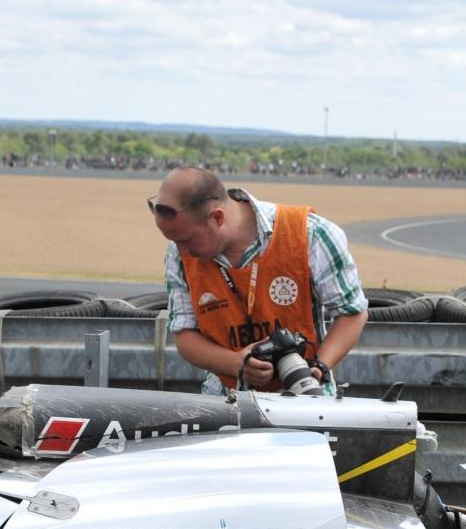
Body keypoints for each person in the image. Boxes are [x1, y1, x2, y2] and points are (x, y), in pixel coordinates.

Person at [152, 166, 368, 392]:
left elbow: (352, 313)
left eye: (187, 240)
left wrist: (318, 367)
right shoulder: (178, 253)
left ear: (217, 218)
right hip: (225, 401)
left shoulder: (311, 235)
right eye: (174, 241)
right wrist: (236, 363)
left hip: (305, 399)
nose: (182, 251)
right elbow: (185, 337)